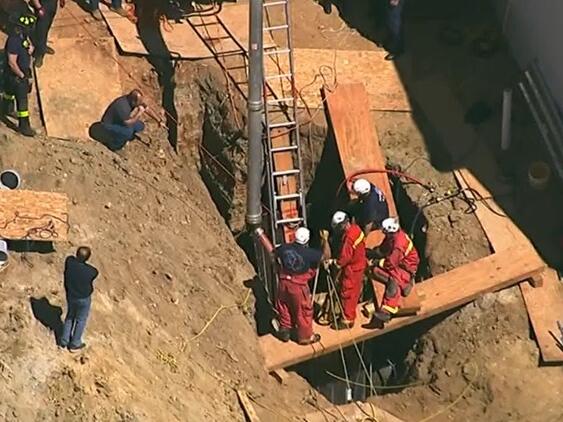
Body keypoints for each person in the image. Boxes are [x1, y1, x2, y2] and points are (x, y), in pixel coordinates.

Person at [274, 227, 326, 345]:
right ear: (307, 241)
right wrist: (325, 241)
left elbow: (274, 253)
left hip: (283, 282)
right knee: (303, 311)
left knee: (284, 306)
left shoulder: (284, 248)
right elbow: (325, 256)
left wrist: (278, 268)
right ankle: (305, 337)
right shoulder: (309, 253)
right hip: (298, 286)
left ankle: (285, 330)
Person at [365, 217, 419, 326]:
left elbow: (390, 264)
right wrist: (375, 253)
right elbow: (385, 247)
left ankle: (388, 309)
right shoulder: (393, 236)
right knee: (375, 271)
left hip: (406, 268)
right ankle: (402, 283)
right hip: (400, 263)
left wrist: (378, 262)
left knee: (394, 280)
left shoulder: (398, 245)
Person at [327, 211, 367, 330]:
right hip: (359, 264)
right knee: (354, 292)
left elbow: (345, 257)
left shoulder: (349, 238)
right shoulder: (356, 229)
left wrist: (334, 263)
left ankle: (347, 320)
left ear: (341, 225)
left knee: (347, 293)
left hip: (352, 269)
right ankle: (348, 314)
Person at [2, 8, 37, 136]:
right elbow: (12, 62)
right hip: (16, 76)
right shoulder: (14, 40)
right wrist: (22, 76)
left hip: (15, 76)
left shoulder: (22, 36)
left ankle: (6, 108)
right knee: (22, 102)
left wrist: (30, 48)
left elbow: (27, 44)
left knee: (8, 92)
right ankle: (24, 126)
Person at [60, 246, 99, 352]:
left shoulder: (69, 262)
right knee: (80, 319)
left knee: (70, 317)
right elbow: (95, 272)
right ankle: (75, 343)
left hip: (71, 295)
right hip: (83, 298)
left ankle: (64, 341)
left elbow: (70, 258)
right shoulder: (90, 272)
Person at [29, 0, 65, 68]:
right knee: (41, 31)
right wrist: (39, 8)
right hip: (43, 6)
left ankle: (43, 46)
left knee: (46, 28)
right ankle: (39, 54)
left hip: (53, 5)